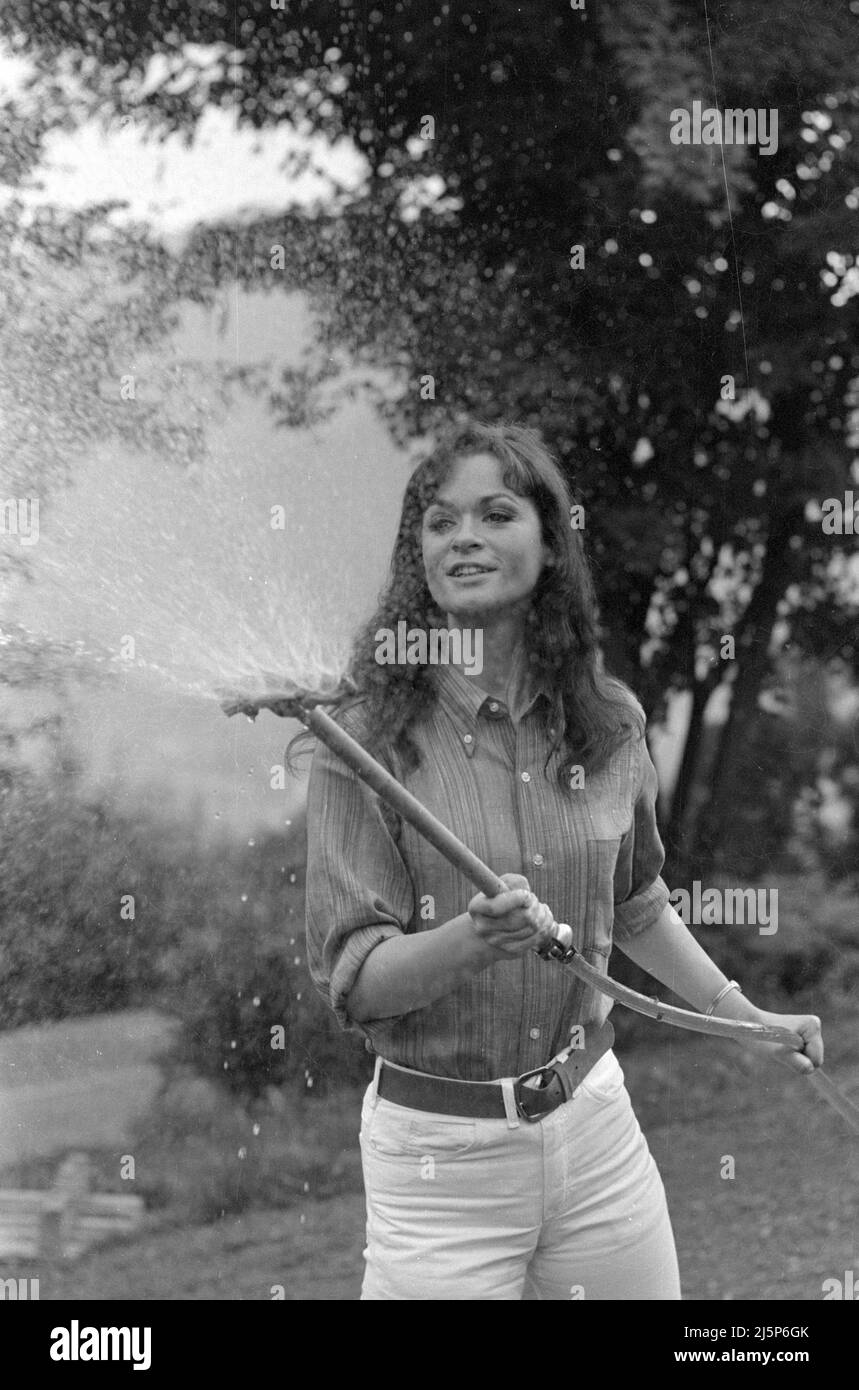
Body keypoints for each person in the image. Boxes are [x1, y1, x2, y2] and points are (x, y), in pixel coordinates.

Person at [302, 420, 823, 1301]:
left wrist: (743, 1018)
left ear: (549, 548)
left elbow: (635, 904)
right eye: (437, 522)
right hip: (440, 1167)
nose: (461, 535)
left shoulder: (609, 720)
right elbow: (354, 982)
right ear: (417, 559)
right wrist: (471, 941)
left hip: (595, 1132)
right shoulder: (360, 741)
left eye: (494, 513)